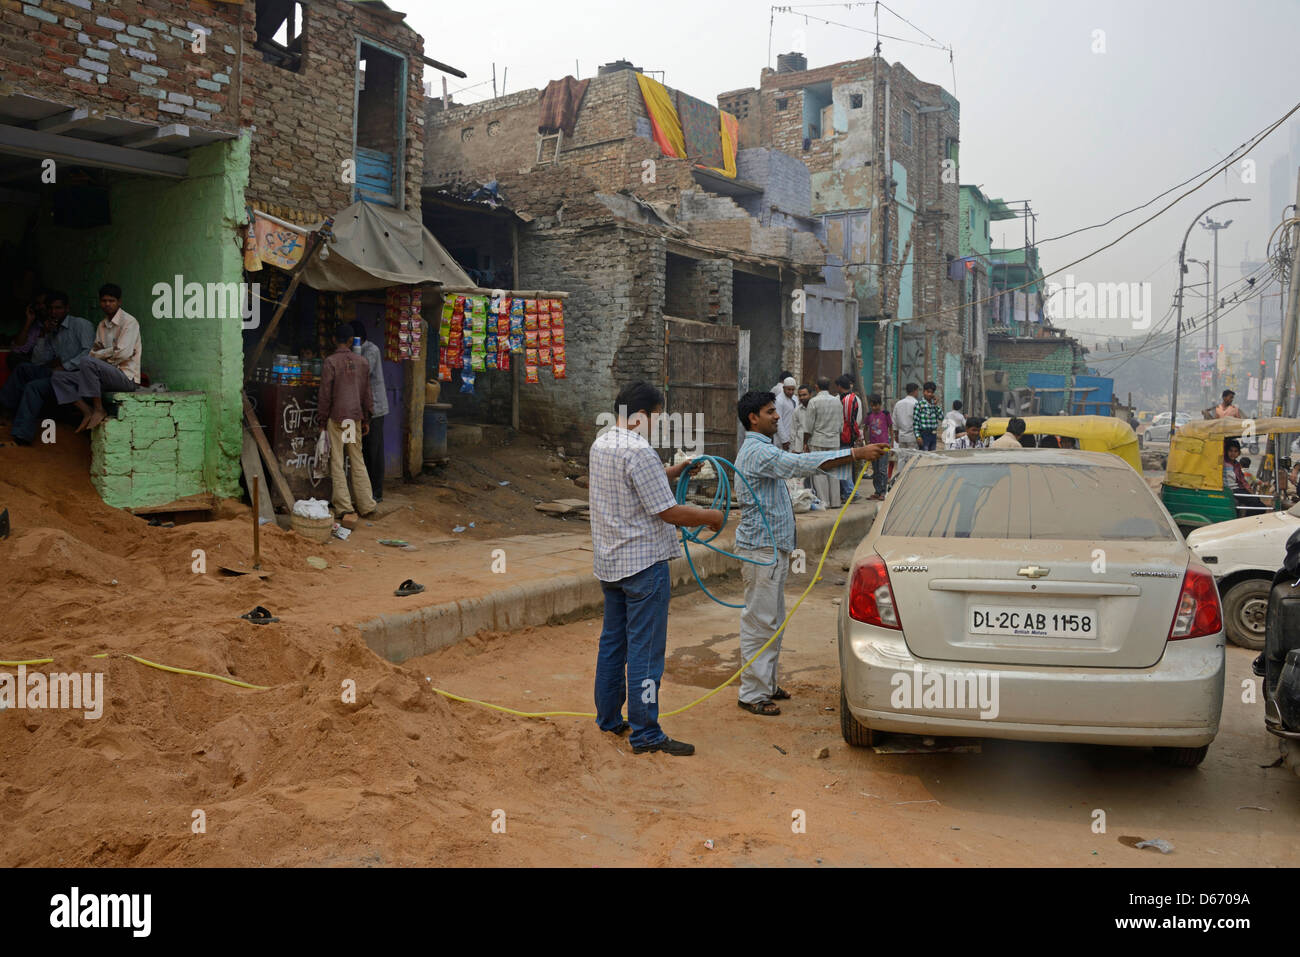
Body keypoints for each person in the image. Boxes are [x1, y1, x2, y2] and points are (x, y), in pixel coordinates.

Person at [588, 381, 723, 756]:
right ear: (642, 415)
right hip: (644, 565)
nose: (656, 425)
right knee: (646, 652)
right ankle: (646, 733)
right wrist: (710, 516)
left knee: (613, 643)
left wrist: (676, 470)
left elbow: (636, 483)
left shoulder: (602, 443)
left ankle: (610, 720)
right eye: (657, 417)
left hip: (611, 563)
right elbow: (668, 512)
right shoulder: (640, 450)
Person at [733, 390, 887, 717]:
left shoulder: (764, 449)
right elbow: (800, 464)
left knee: (771, 620)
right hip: (760, 548)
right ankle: (752, 693)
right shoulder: (758, 452)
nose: (777, 416)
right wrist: (856, 453)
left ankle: (765, 685)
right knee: (760, 621)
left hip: (770, 546)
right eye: (770, 411)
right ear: (753, 419)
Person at [0, 291, 94, 445]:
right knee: (23, 368)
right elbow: (39, 361)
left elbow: (89, 354)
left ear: (67, 308)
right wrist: (44, 334)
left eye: (58, 308)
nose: (54, 312)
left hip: (76, 377)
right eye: (51, 308)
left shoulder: (81, 325)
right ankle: (5, 411)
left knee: (34, 387)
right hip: (59, 373)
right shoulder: (52, 329)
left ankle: (21, 437)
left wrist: (65, 366)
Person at [50, 283, 140, 433]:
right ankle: (87, 411)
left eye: (112, 301)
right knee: (58, 377)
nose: (107, 304)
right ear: (100, 302)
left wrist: (102, 356)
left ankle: (99, 409)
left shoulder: (129, 322)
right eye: (104, 301)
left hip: (125, 378)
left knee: (86, 361)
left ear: (119, 302)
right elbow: (93, 352)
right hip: (104, 376)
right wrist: (110, 352)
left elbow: (123, 354)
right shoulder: (102, 325)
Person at [318, 322, 376, 520]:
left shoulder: (330, 362)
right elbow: (367, 393)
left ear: (334, 340)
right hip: (354, 418)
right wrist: (366, 418)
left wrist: (321, 419)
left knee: (337, 461)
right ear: (352, 341)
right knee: (356, 458)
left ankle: (343, 506)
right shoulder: (362, 362)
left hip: (336, 419)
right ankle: (366, 504)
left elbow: (325, 395)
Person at [350, 320, 388, 503]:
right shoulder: (356, 351)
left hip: (375, 409)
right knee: (364, 450)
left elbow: (362, 372)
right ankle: (365, 491)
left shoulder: (371, 350)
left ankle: (376, 491)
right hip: (362, 408)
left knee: (374, 451)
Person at [805, 377, 844, 508]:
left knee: (820, 472)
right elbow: (841, 425)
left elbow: (809, 426)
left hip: (818, 440)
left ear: (817, 387)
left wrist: (806, 442)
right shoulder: (837, 402)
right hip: (834, 441)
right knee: (834, 471)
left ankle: (824, 501)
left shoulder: (813, 402)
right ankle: (835, 501)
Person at [835, 374, 863, 500]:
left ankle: (851, 492)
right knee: (846, 464)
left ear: (840, 386)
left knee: (843, 465)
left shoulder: (845, 400)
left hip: (845, 435)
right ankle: (849, 491)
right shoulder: (853, 398)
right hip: (850, 435)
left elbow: (845, 420)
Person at [6, 290, 46, 370]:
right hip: (37, 364)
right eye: (38, 304)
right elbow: (17, 349)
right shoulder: (36, 326)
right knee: (13, 358)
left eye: (44, 303)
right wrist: (29, 321)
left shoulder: (60, 323)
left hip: (54, 366)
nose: (41, 306)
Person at [865, 393, 892, 499]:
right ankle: (877, 491)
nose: (874, 408)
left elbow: (890, 428)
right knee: (875, 470)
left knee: (882, 470)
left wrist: (891, 443)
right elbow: (866, 428)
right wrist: (867, 442)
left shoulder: (885, 414)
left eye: (876, 405)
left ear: (880, 404)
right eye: (872, 406)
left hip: (884, 446)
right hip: (873, 446)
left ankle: (883, 492)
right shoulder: (869, 416)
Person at [913, 381, 943, 451]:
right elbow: (915, 423)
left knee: (932, 456)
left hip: (933, 434)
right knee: (924, 457)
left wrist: (936, 405)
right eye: (928, 392)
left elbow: (941, 417)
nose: (930, 394)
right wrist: (918, 437)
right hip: (924, 435)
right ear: (923, 392)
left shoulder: (934, 405)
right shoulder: (919, 405)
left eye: (932, 392)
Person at [892, 383, 918, 449]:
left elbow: (894, 421)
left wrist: (896, 435)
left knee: (902, 457)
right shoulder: (916, 403)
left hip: (901, 436)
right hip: (913, 437)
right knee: (912, 457)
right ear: (915, 391)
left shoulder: (898, 403)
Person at [774, 376, 798, 450]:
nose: (791, 392)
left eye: (792, 389)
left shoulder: (795, 398)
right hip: (782, 439)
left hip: (793, 437)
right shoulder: (779, 400)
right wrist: (784, 440)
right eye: (789, 389)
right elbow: (778, 421)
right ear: (784, 388)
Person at [791, 384, 812, 454]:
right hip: (799, 448)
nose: (802, 397)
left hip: (813, 447)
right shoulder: (797, 410)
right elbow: (793, 430)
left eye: (804, 395)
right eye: (800, 395)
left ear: (810, 395)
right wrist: (793, 448)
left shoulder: (815, 408)